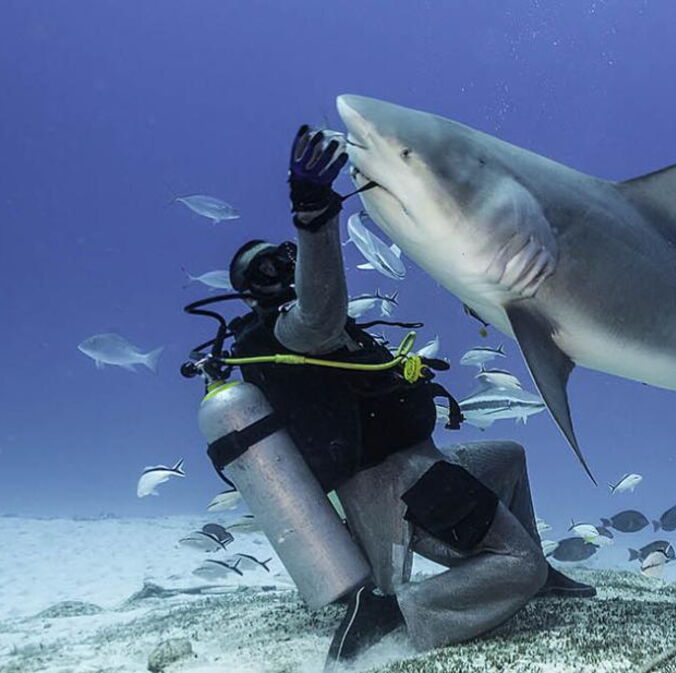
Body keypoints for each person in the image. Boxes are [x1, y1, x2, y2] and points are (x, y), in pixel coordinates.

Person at [225, 126, 594, 670]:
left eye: (282, 257)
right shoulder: (290, 334)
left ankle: (532, 570)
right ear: (251, 292)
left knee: (508, 456)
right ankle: (406, 610)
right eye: (266, 271)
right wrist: (313, 220)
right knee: (516, 565)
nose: (281, 270)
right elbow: (319, 311)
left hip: (418, 462)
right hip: (392, 484)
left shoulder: (318, 343)